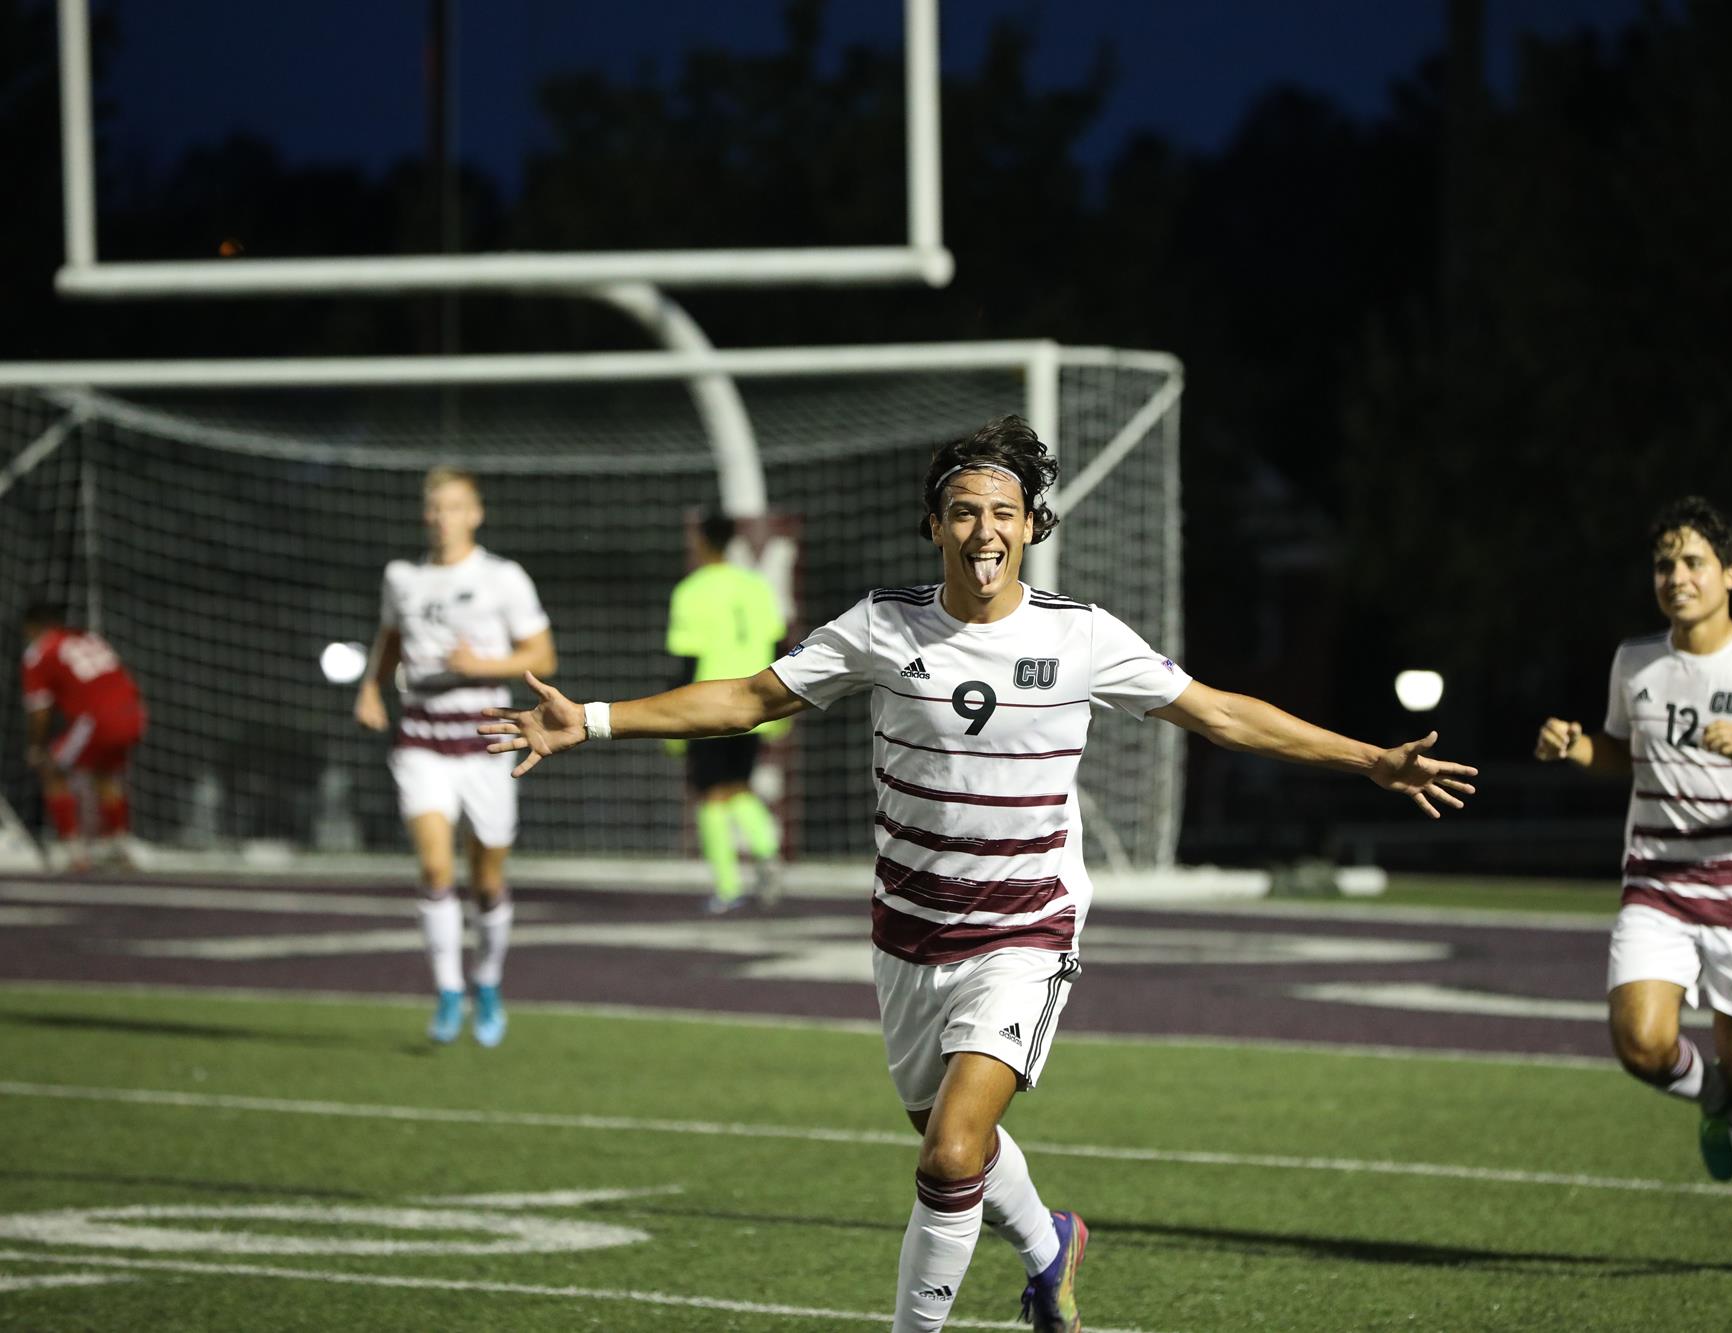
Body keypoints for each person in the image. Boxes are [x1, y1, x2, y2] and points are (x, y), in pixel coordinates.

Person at [481, 415, 1477, 1333]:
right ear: (934, 527)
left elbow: (1219, 711)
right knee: (956, 1147)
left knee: (949, 1152)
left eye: (1003, 511)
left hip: (1023, 930)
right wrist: (594, 719)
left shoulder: (1079, 636)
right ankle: (1051, 1250)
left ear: (1032, 526)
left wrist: (1367, 759)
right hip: (907, 932)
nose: (983, 529)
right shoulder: (881, 625)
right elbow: (748, 695)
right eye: (964, 511)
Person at [1533, 495, 1732, 1280]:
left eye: (1694, 561)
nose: (1677, 576)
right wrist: (1575, 748)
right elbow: (1619, 754)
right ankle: (1709, 1104)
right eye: (1666, 563)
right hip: (1656, 883)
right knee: (1640, 1042)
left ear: (1730, 574)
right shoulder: (1635, 659)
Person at [354, 467, 556, 1048]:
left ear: (476, 513)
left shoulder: (501, 577)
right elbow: (391, 634)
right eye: (434, 507)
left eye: (454, 507)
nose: (443, 517)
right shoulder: (402, 577)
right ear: (426, 515)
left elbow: (543, 652)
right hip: (421, 739)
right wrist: (371, 686)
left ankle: (486, 982)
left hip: (486, 740)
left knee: (487, 882)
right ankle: (447, 990)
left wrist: (482, 667)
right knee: (436, 870)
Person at [665, 512, 789, 912]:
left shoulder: (691, 591)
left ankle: (728, 886)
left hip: (710, 703)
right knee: (738, 786)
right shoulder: (756, 587)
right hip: (753, 703)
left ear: (700, 542)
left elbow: (686, 660)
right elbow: (776, 646)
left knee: (711, 795)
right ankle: (768, 850)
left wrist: (675, 716)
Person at [19, 602, 148, 872]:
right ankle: (120, 845)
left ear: (32, 627)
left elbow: (40, 710)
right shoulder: (87, 638)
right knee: (105, 774)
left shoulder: (40, 652)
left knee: (52, 767)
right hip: (133, 712)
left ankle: (74, 851)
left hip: (97, 720)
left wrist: (35, 746)